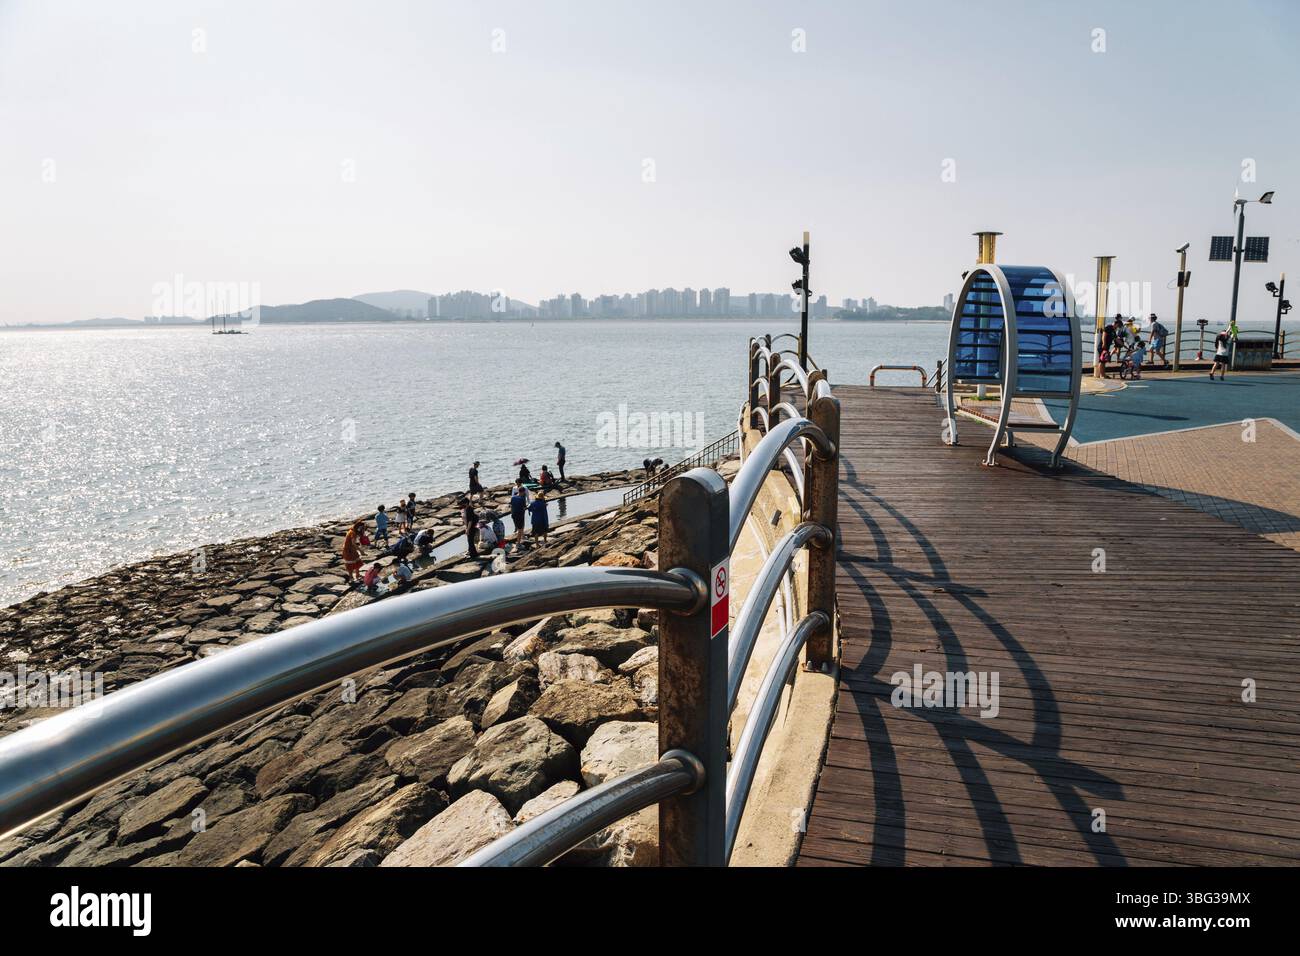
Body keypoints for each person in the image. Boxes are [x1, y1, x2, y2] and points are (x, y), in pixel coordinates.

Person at [510, 481, 528, 546]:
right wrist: (527, 507)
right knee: (520, 529)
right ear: (522, 492)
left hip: (514, 515)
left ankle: (523, 537)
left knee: (519, 527)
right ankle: (518, 543)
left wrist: (511, 513)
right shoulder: (522, 499)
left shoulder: (513, 497)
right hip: (520, 515)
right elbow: (524, 508)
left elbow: (511, 506)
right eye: (524, 492)